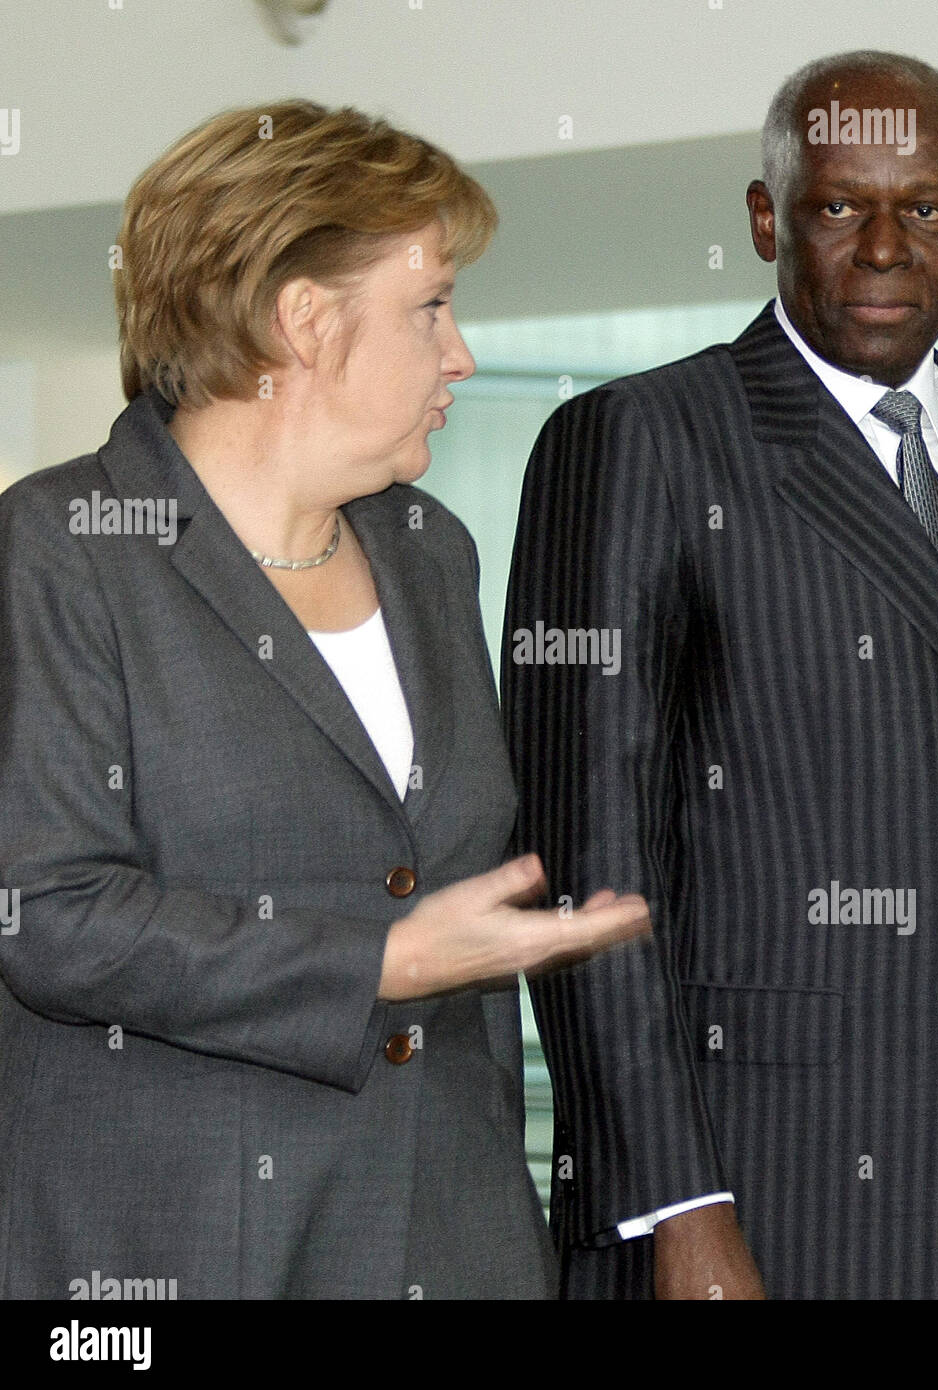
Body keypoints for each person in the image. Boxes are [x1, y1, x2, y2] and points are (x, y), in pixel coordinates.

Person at [0, 100, 649, 1300]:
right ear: (304, 319)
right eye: (431, 307)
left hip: (450, 1244)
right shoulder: (61, 546)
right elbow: (46, 912)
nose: (459, 353)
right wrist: (381, 960)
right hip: (173, 1259)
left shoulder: (429, 547)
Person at [502, 51, 938, 1299]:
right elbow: (584, 862)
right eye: (841, 206)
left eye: (928, 209)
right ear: (769, 216)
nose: (888, 246)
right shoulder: (638, 441)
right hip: (762, 1185)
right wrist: (675, 1201)